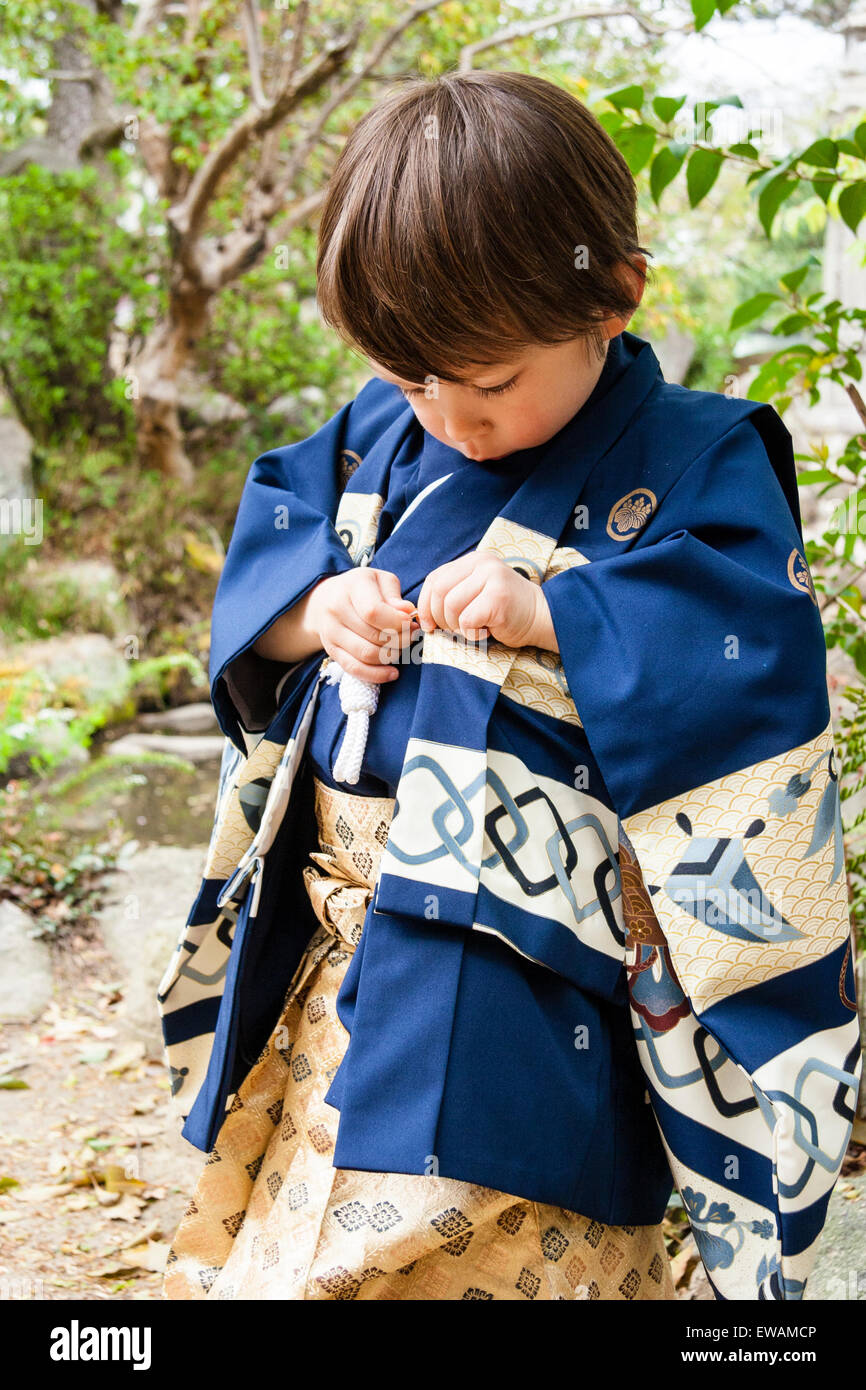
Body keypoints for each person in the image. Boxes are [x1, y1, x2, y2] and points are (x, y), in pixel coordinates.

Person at [160, 70, 859, 1302]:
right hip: (341, 955)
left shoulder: (694, 458)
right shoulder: (387, 427)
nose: (448, 417)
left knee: (434, 1247)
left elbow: (750, 645)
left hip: (530, 975)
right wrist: (316, 610)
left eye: (486, 384)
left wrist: (561, 610)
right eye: (412, 379)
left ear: (614, 296)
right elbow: (275, 546)